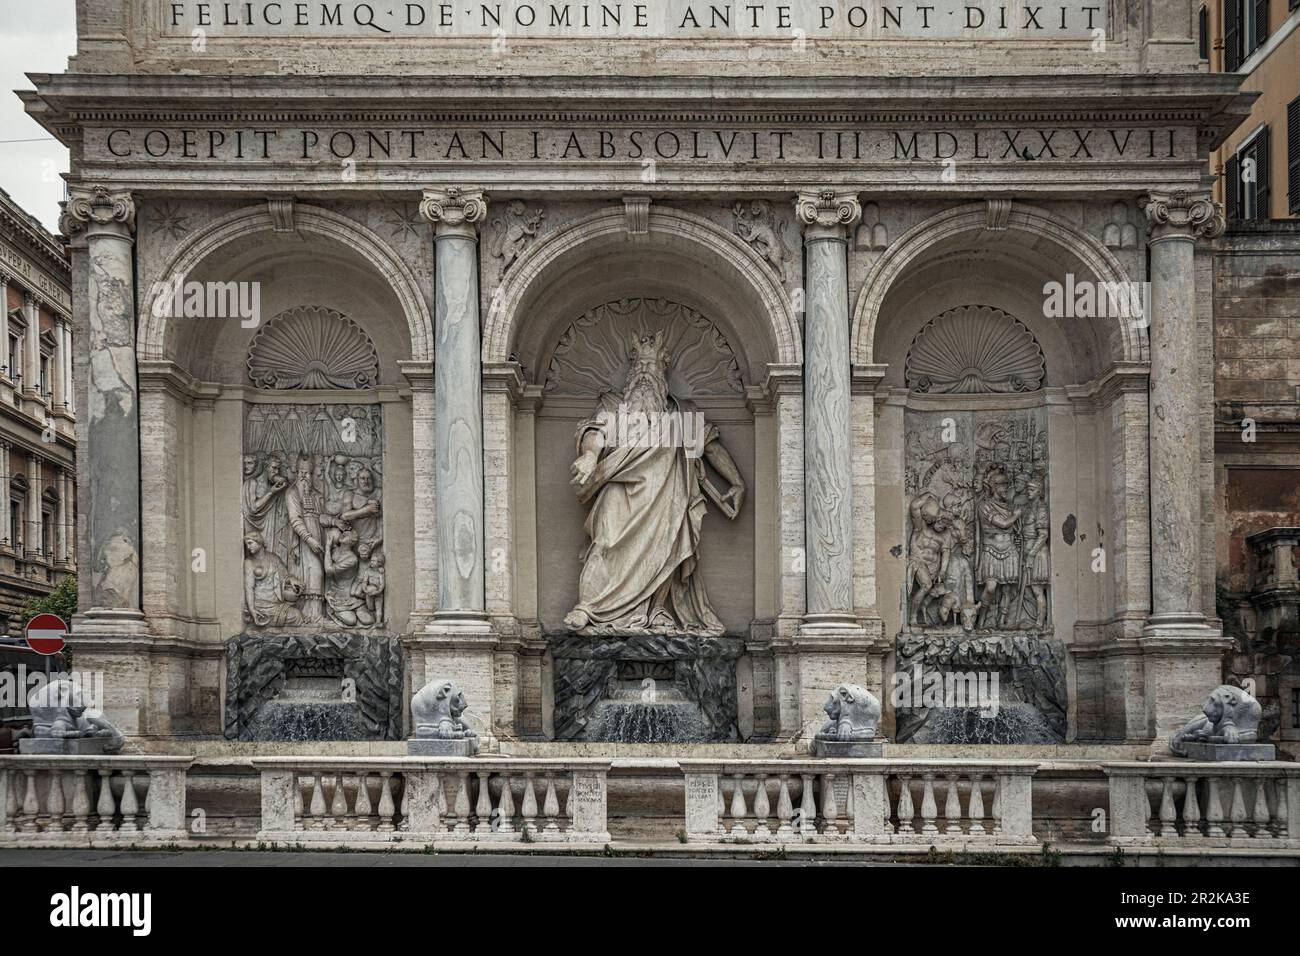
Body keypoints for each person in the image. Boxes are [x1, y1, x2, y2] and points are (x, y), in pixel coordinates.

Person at [564, 330, 745, 636]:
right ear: (631, 375)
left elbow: (710, 446)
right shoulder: (614, 406)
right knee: (605, 541)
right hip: (619, 489)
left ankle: (656, 609)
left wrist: (736, 481)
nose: (645, 377)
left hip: (666, 497)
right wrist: (590, 457)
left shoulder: (679, 414)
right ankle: (589, 606)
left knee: (666, 548)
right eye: (641, 370)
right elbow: (597, 432)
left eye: (653, 370)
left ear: (663, 376)